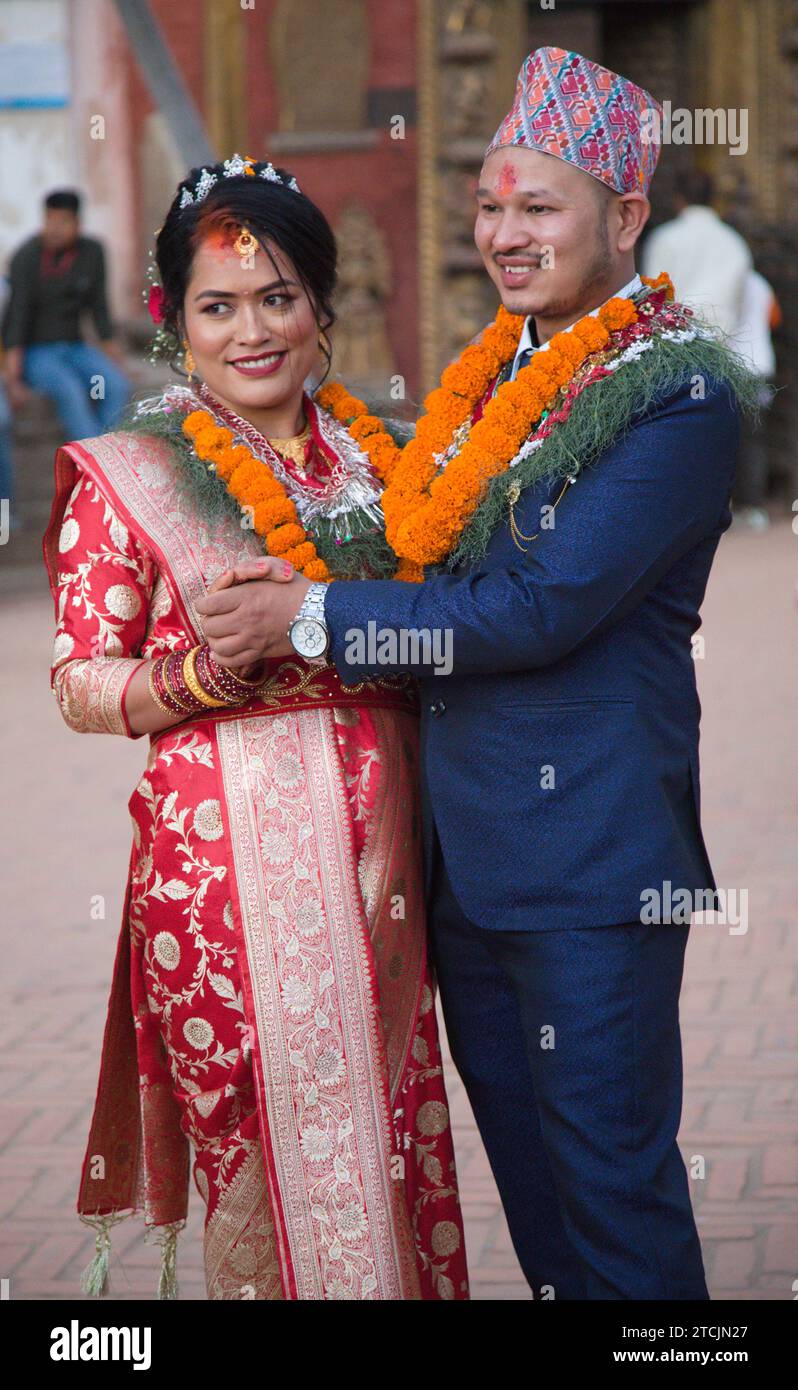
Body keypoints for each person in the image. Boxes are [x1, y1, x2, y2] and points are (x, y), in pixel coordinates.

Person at [197, 53, 758, 1300]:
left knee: (614, 1199)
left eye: (539, 208)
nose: (505, 235)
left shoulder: (676, 399)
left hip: (593, 872)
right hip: (473, 865)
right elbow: (413, 522)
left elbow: (535, 608)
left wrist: (314, 617)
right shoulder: (505, 366)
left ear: (623, 217)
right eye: (493, 207)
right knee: (545, 1208)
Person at [43, 155, 468, 1301]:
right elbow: (82, 681)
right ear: (175, 323)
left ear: (321, 307)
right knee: (258, 1133)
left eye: (277, 297)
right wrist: (203, 673)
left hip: (382, 858)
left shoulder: (384, 472)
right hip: (222, 874)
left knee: (384, 1124)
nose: (252, 332)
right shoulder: (131, 475)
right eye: (217, 307)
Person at [3, 189, 131, 441]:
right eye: (50, 220)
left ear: (77, 223)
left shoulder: (92, 253)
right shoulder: (26, 257)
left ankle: (109, 451)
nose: (55, 229)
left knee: (112, 384)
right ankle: (93, 459)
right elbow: (16, 317)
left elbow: (99, 309)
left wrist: (114, 356)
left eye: (63, 221)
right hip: (38, 355)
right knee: (71, 390)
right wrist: (12, 378)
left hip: (77, 350)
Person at [641, 169, 751, 338]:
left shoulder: (664, 238)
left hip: (673, 344)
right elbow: (739, 302)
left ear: (678, 199)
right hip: (722, 344)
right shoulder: (734, 242)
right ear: (714, 199)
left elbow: (654, 296)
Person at [730, 267, 780, 530]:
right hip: (759, 366)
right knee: (753, 438)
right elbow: (774, 318)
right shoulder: (760, 283)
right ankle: (753, 506)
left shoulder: (724, 276)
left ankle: (740, 505)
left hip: (733, 365)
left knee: (732, 438)